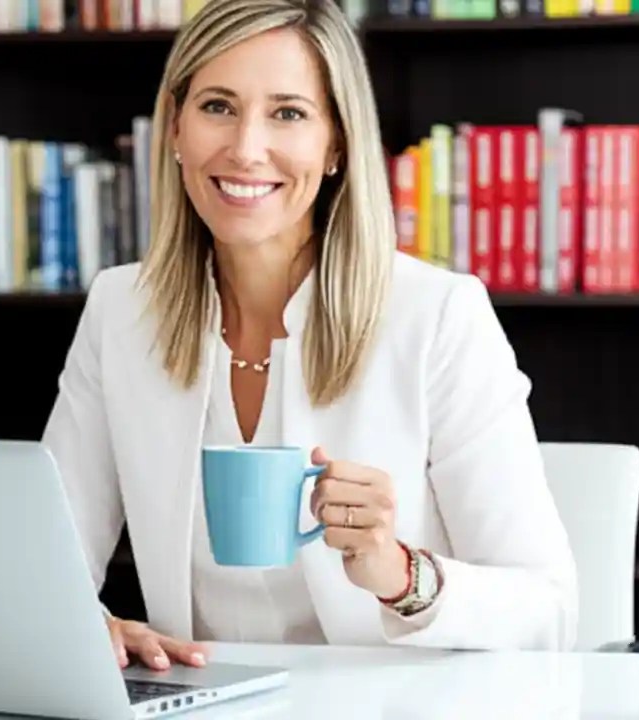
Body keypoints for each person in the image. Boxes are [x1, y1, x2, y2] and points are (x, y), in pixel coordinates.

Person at [40, 0, 577, 672]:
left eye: (288, 113)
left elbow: (549, 610)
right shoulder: (122, 310)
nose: (244, 148)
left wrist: (403, 575)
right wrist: (93, 626)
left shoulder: (438, 315)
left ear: (336, 146)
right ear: (174, 128)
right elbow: (44, 564)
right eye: (217, 106)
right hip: (196, 704)